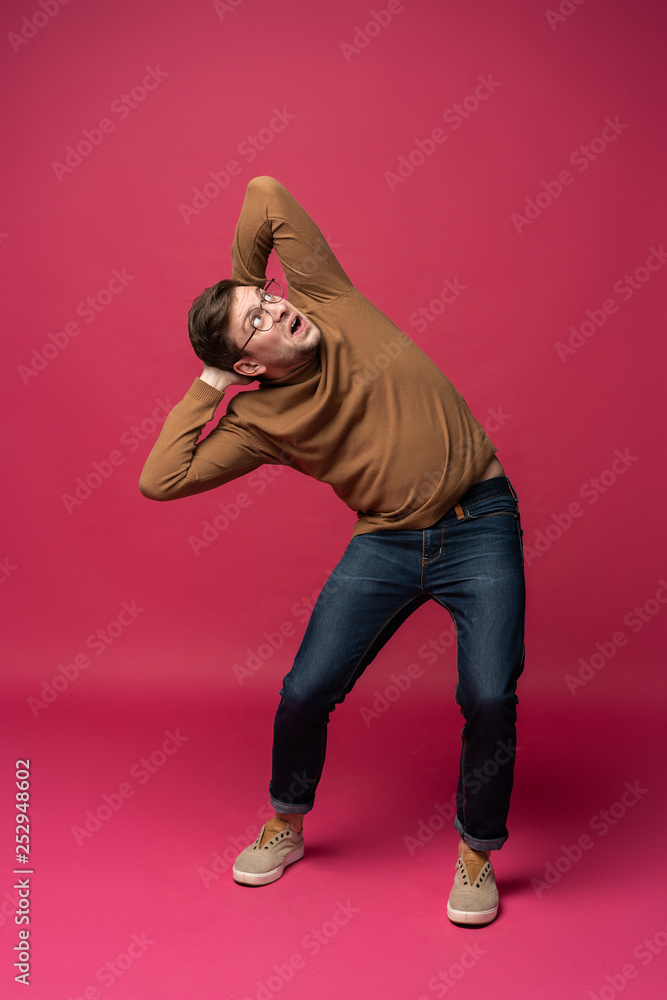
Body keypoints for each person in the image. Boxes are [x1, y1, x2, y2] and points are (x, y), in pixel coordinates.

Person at [139, 175, 526, 926]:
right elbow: (163, 479)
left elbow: (264, 192)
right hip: (384, 542)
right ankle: (286, 823)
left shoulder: (328, 300)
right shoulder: (258, 423)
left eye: (267, 300)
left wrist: (241, 290)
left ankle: (477, 854)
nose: (277, 309)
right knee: (304, 691)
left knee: (488, 694)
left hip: (479, 521)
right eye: (258, 321)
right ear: (249, 367)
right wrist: (212, 379)